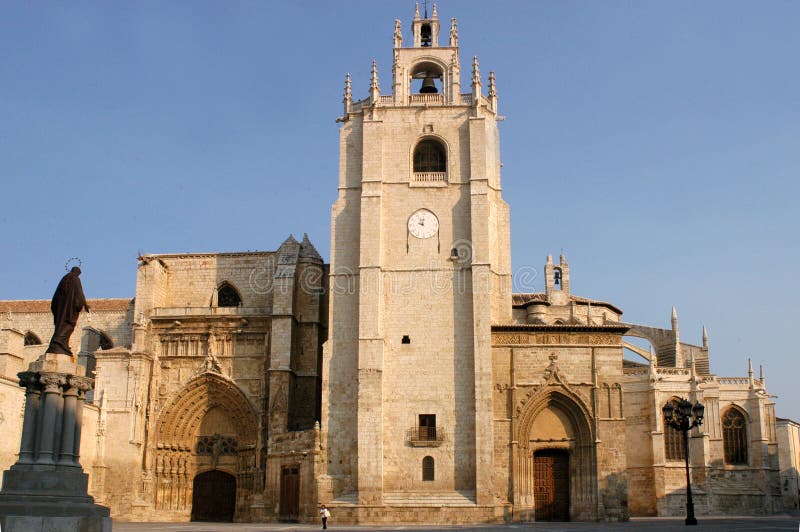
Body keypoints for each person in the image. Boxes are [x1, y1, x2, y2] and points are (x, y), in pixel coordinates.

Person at [47, 266, 90, 358]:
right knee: (68, 325)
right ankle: (59, 342)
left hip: (61, 309)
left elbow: (56, 296)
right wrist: (84, 305)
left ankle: (60, 344)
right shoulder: (75, 279)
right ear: (77, 272)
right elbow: (79, 293)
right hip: (69, 310)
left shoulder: (64, 279)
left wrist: (56, 308)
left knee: (61, 326)